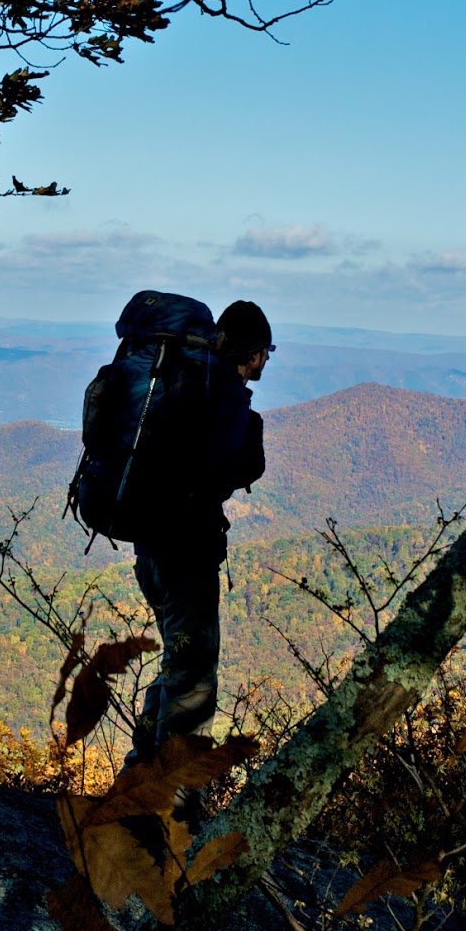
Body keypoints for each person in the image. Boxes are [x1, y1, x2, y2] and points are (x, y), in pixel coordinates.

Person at [125, 300, 272, 783]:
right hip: (186, 556)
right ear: (251, 354)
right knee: (193, 681)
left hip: (149, 551)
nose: (265, 362)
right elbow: (225, 469)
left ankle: (138, 776)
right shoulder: (223, 396)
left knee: (177, 664)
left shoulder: (179, 381)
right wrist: (252, 438)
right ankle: (173, 805)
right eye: (265, 352)